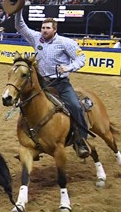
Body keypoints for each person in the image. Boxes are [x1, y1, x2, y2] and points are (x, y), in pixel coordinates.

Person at [11, 11, 92, 159]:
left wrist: (68, 68)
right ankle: (29, 144)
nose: (44, 30)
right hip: (42, 83)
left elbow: (82, 58)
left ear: (55, 30)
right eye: (43, 27)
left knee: (75, 106)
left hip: (60, 84)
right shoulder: (36, 38)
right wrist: (18, 10)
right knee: (26, 107)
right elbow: (20, 26)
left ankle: (81, 140)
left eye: (48, 28)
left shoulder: (65, 43)